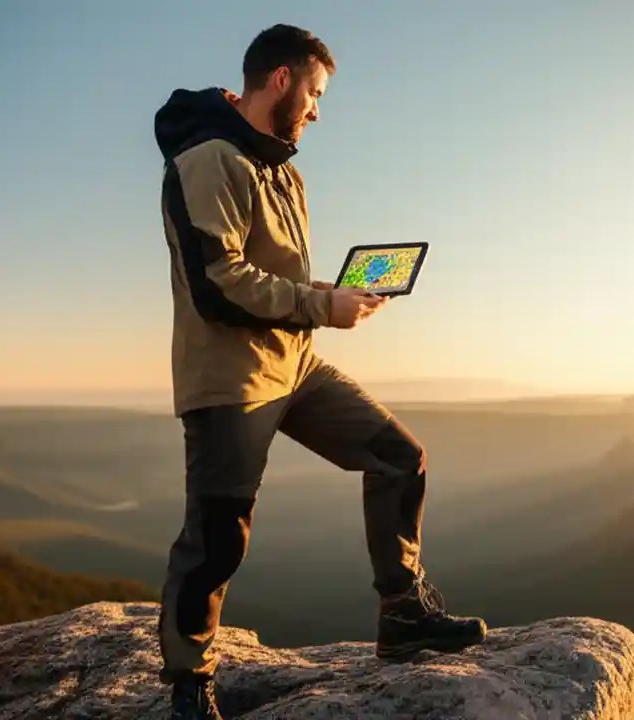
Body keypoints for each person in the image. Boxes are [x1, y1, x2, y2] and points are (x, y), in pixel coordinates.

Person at [153, 24, 487, 720]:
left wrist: (333, 298)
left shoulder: (286, 171)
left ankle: (402, 616)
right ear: (280, 79)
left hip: (295, 364)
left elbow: (278, 276)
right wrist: (321, 305)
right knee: (218, 539)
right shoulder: (206, 159)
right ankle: (189, 681)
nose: (316, 110)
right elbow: (218, 282)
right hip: (231, 380)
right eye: (314, 92)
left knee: (400, 457)